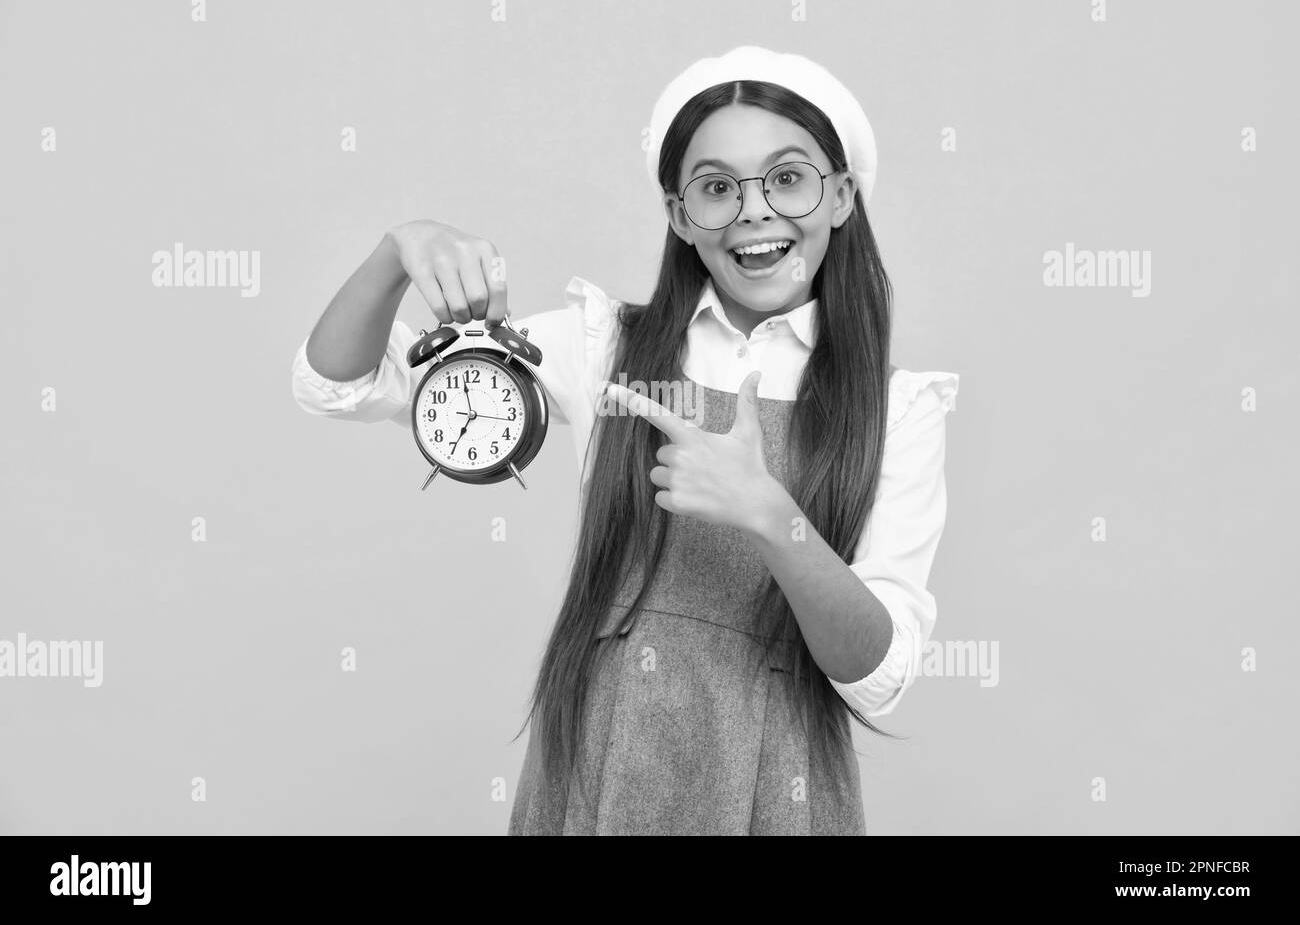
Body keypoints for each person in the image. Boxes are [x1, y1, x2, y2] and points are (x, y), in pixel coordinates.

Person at [291, 45, 959, 835]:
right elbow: (337, 387)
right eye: (716, 188)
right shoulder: (608, 348)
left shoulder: (896, 410)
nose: (753, 211)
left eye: (787, 178)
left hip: (781, 796)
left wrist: (771, 515)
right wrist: (397, 250)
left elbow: (878, 676)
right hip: (596, 772)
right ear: (679, 215)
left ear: (841, 195)